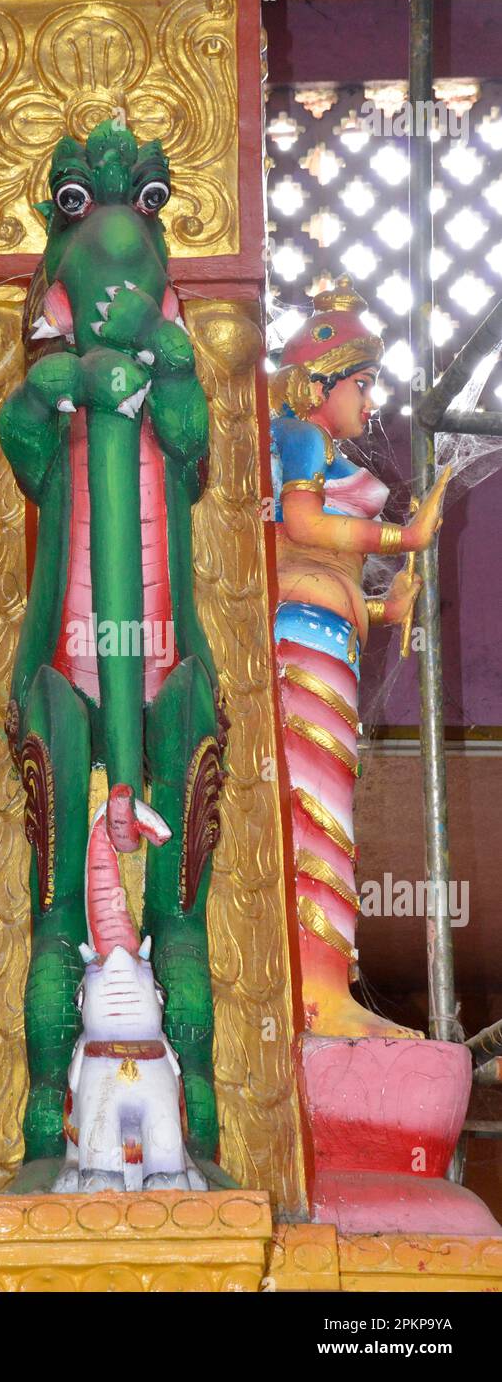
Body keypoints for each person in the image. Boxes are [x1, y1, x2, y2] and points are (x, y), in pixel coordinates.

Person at [269, 275, 449, 1037]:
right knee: (315, 809)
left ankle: (326, 984)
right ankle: (318, 993)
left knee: (327, 806)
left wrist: (384, 608)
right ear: (319, 383)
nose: (370, 403)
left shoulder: (312, 439)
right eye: (363, 384)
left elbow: (323, 561)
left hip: (323, 633)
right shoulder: (298, 433)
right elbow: (304, 527)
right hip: (301, 633)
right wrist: (400, 539)